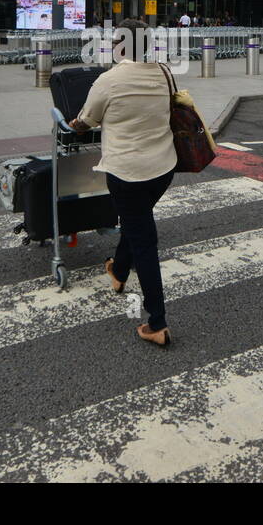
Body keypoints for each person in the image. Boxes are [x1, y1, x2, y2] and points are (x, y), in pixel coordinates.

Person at [69, 18, 178, 348]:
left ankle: (156, 322)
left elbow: (85, 122)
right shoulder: (164, 73)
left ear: (119, 45)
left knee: (144, 239)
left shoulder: (109, 80)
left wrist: (74, 122)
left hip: (127, 173)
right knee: (138, 222)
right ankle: (117, 271)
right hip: (162, 169)